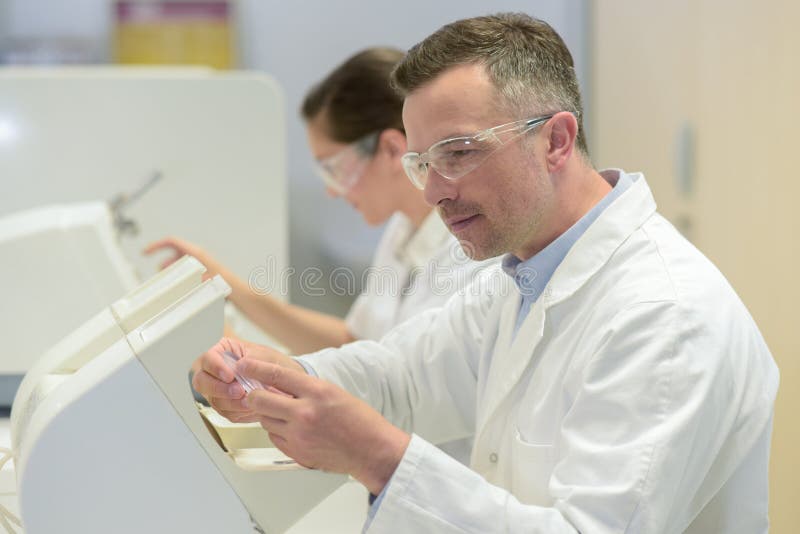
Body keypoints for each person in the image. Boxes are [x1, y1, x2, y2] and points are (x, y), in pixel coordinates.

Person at [193, 13, 779, 533]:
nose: (435, 192)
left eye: (459, 153)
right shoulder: (523, 275)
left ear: (556, 140)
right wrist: (275, 376)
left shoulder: (663, 316)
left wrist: (380, 458)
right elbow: (402, 376)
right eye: (423, 163)